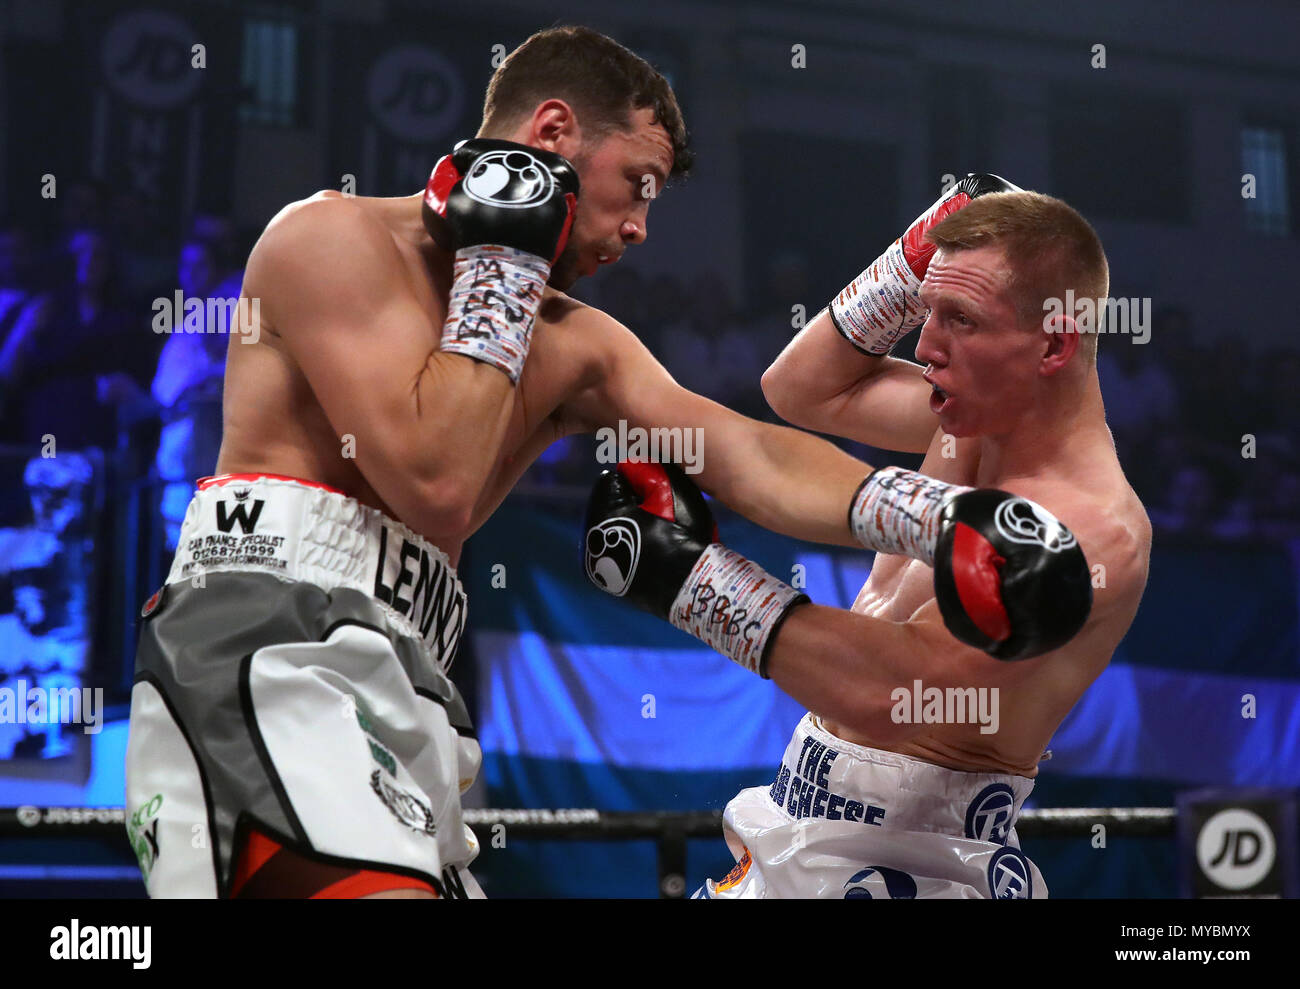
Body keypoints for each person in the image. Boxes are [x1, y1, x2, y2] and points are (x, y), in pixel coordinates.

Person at [124, 25, 930, 900]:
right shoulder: (328, 239)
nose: (641, 228)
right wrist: (504, 259)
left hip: (408, 679)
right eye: (637, 186)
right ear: (550, 136)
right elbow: (435, 482)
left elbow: (747, 454)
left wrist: (935, 516)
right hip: (263, 647)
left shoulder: (576, 342)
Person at [584, 183, 1151, 898]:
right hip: (796, 823)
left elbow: (896, 693)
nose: (925, 343)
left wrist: (691, 581)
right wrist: (911, 257)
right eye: (927, 308)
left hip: (922, 866)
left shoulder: (1091, 530)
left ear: (1055, 343)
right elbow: (798, 389)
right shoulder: (970, 418)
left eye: (960, 318)